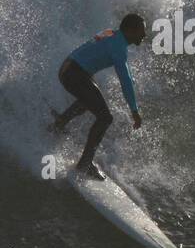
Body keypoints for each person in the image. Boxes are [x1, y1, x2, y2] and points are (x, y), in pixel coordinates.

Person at [49, 14, 147, 180]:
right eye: (141, 31)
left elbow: (88, 47)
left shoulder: (110, 33)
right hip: (75, 74)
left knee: (90, 98)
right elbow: (125, 80)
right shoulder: (118, 47)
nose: (144, 35)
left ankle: (59, 123)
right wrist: (134, 110)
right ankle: (85, 164)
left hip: (69, 68)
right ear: (130, 30)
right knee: (105, 118)